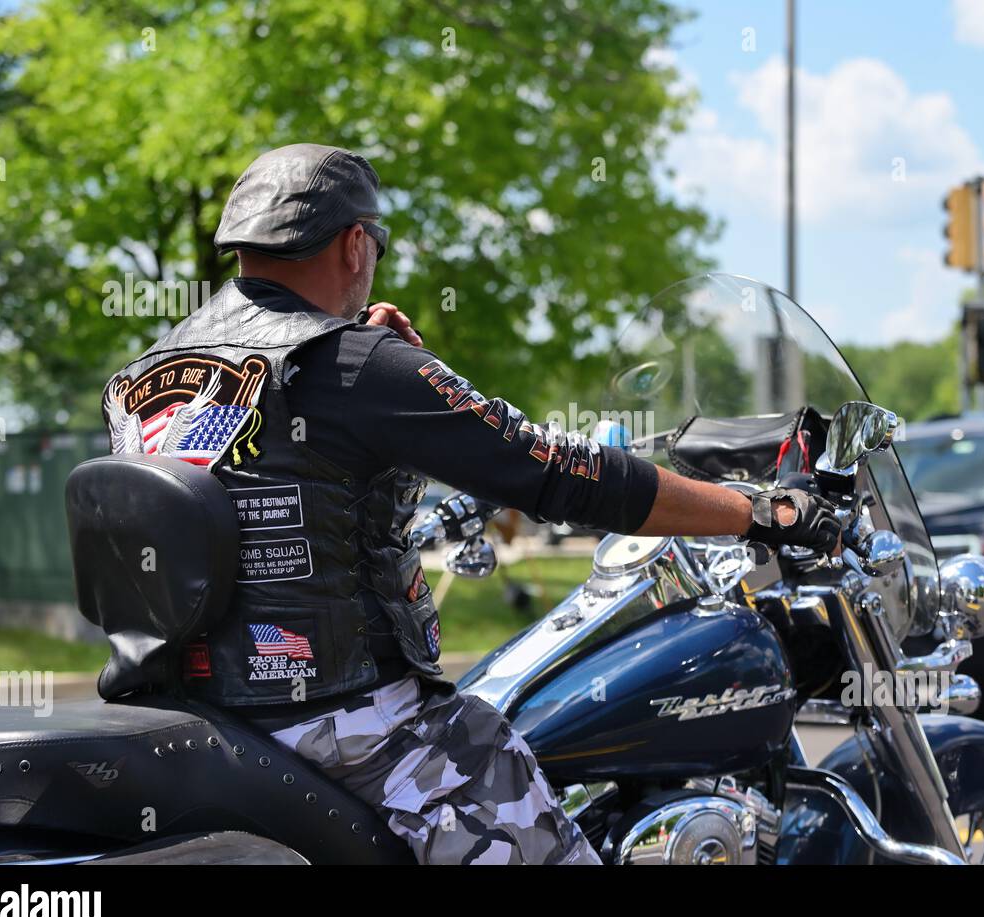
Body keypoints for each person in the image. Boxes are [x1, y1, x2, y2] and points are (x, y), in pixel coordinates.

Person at [101, 143, 841, 865]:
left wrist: (371, 368)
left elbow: (258, 474)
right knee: (500, 765)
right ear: (356, 246)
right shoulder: (358, 366)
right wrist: (756, 511)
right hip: (347, 726)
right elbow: (561, 472)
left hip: (195, 714)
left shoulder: (144, 375)